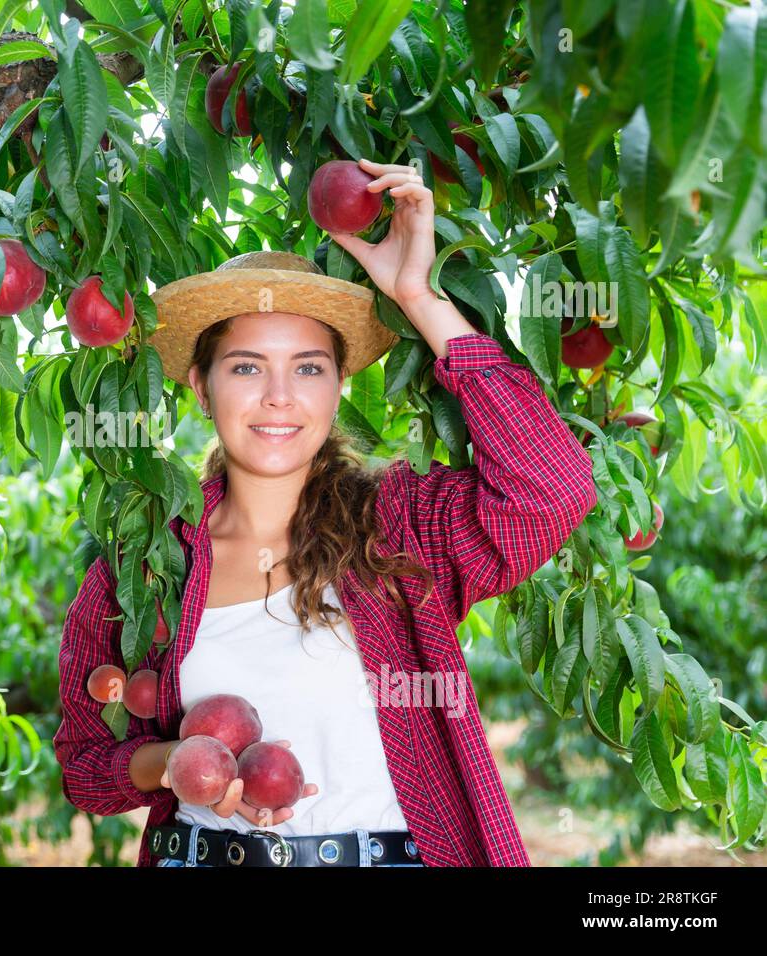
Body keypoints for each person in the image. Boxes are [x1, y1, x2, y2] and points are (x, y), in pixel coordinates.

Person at [53, 159, 598, 867]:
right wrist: (175, 760)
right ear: (199, 384)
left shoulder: (398, 528)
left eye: (308, 367)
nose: (279, 395)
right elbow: (85, 767)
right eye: (246, 366)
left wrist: (419, 297)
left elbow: (551, 488)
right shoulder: (149, 567)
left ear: (340, 386)